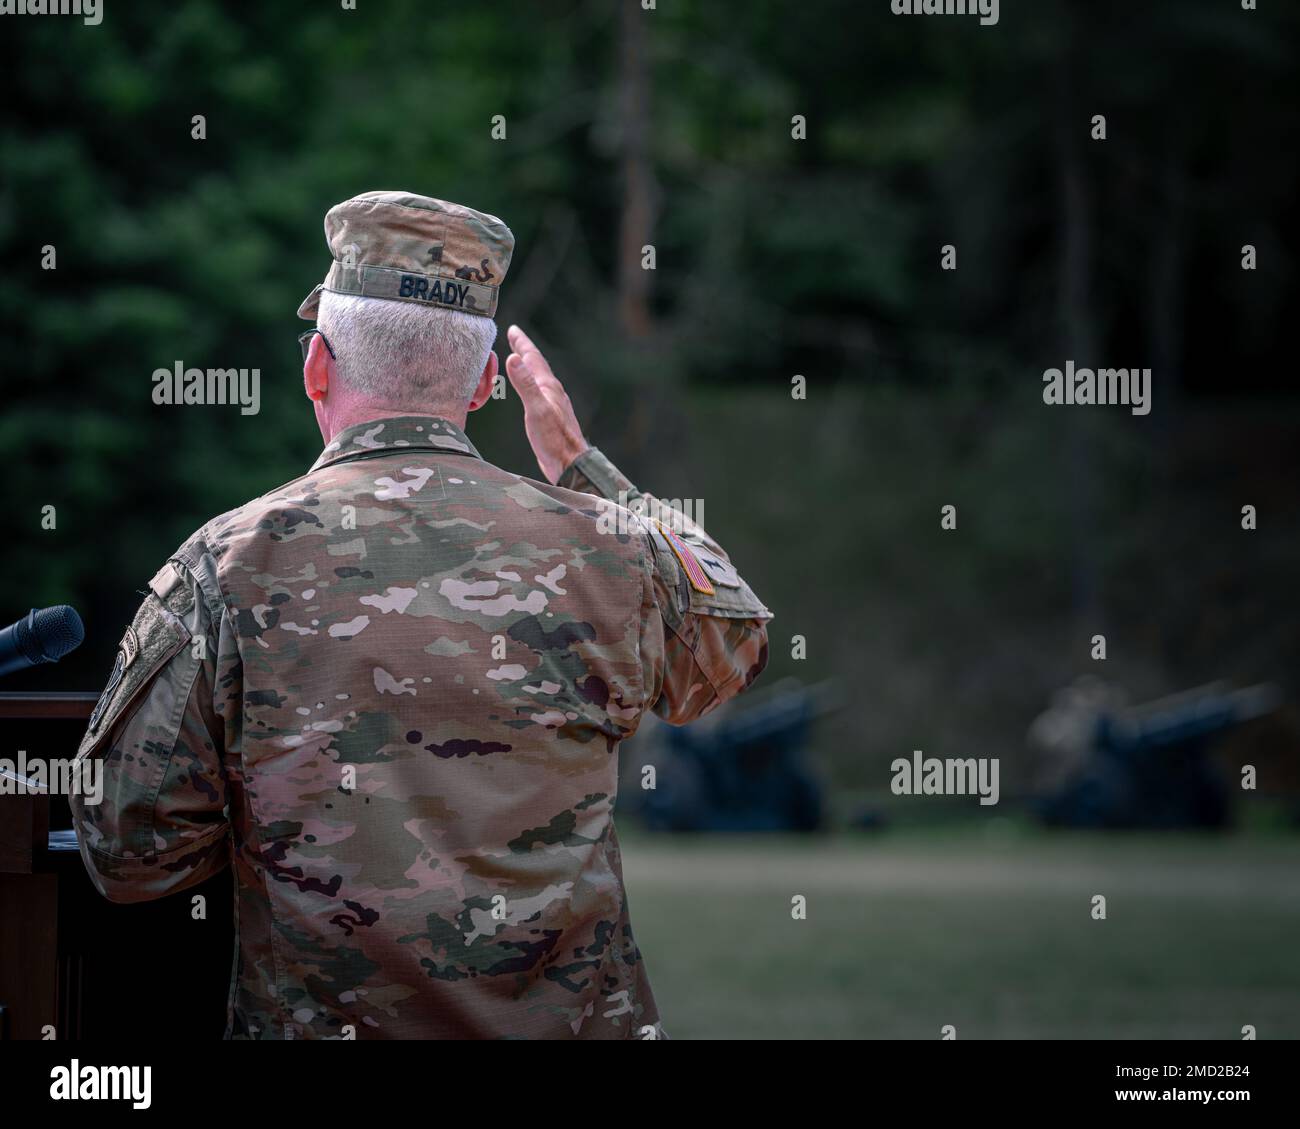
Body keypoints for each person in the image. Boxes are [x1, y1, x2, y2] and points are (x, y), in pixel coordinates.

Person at [70, 190, 773, 1040]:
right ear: (485, 382)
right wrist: (582, 468)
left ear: (317, 368)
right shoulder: (606, 551)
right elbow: (733, 644)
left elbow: (126, 849)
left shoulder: (227, 564)